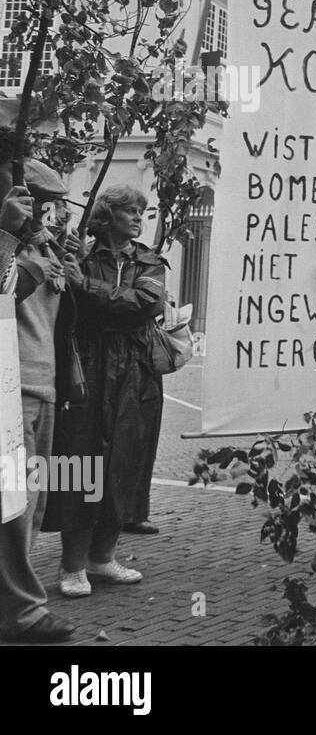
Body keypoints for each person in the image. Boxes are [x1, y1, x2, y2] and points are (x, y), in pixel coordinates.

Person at [42, 184, 164, 597]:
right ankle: (72, 565)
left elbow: (144, 304)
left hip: (136, 373)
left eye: (140, 213)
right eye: (130, 210)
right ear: (107, 216)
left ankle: (102, 558)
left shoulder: (150, 261)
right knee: (78, 464)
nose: (137, 218)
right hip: (86, 368)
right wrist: (70, 272)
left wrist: (87, 287)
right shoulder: (79, 255)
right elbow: (65, 309)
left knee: (124, 464)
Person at [0, 175, 76, 643]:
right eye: (41, 204)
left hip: (40, 386)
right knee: (13, 505)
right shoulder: (13, 243)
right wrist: (9, 236)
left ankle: (17, 601)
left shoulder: (44, 248)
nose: (49, 215)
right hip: (12, 389)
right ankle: (23, 610)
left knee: (29, 503)